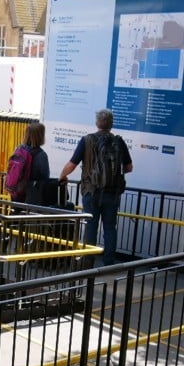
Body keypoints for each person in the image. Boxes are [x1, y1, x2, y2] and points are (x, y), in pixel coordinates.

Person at [59, 108, 133, 267]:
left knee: (90, 226)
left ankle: (88, 263)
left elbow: (72, 164)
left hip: (91, 191)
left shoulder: (87, 140)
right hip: (112, 194)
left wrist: (62, 176)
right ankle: (108, 263)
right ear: (111, 124)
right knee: (110, 228)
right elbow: (129, 168)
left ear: (97, 123)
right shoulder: (119, 142)